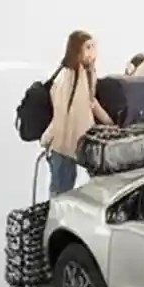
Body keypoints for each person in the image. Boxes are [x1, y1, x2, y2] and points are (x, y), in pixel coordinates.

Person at [42, 30, 114, 195]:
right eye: (87, 47)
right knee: (60, 195)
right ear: (76, 51)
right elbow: (61, 114)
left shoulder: (88, 73)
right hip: (64, 146)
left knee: (66, 191)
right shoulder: (68, 77)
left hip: (78, 145)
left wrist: (110, 124)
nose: (92, 52)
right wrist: (47, 138)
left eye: (93, 47)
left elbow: (90, 102)